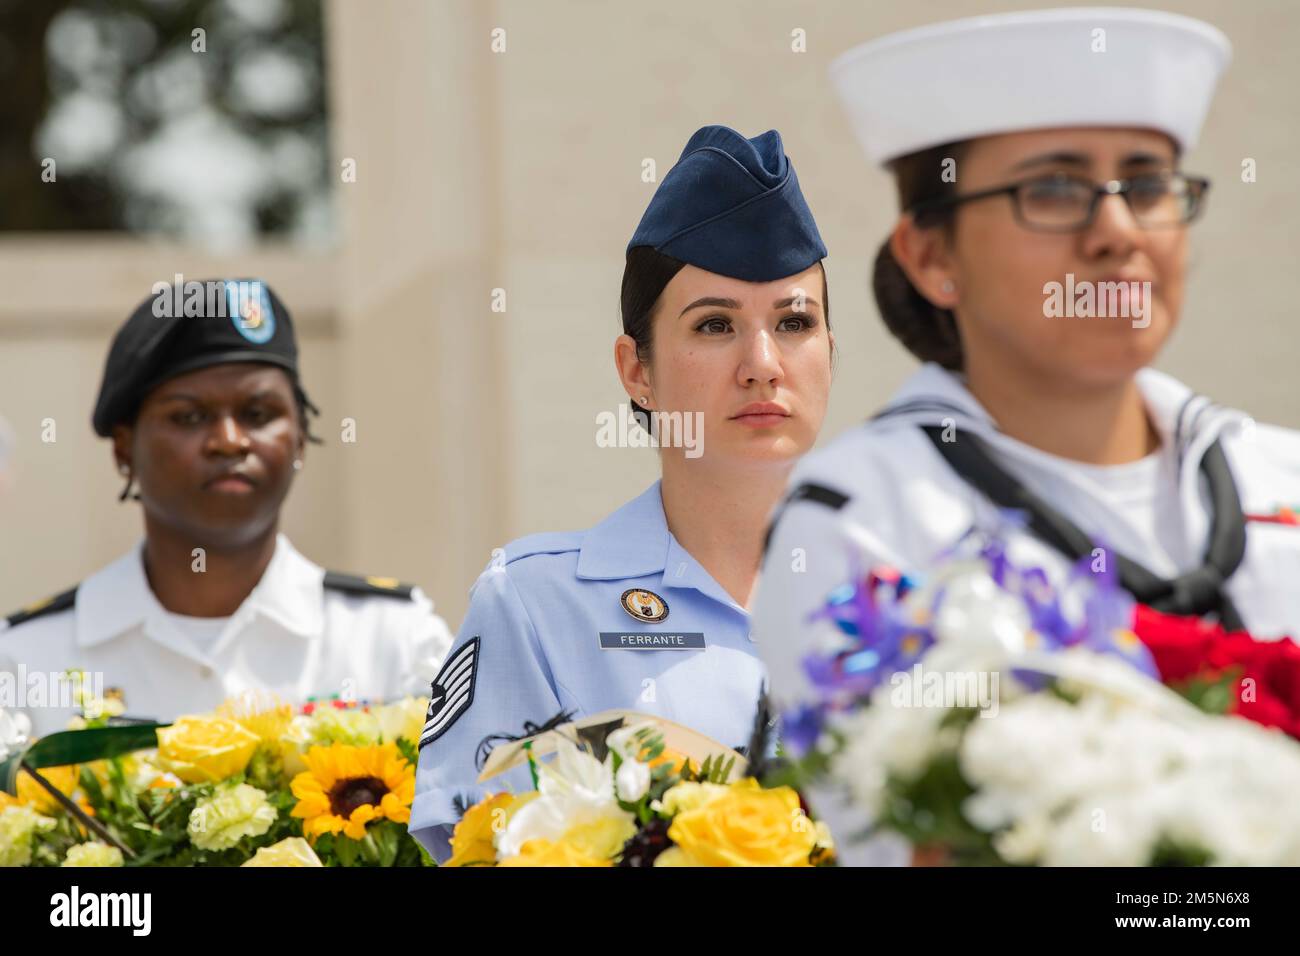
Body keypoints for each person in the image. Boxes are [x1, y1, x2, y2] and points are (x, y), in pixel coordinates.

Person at [757, 6, 1300, 737]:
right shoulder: (859, 521)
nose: (1118, 233)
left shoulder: (1281, 479)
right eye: (1052, 190)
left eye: (1145, 187)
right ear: (932, 256)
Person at [410, 125, 835, 860]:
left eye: (795, 322)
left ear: (831, 352)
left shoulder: (912, 593)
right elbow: (471, 847)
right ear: (637, 371)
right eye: (715, 325)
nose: (763, 364)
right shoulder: (537, 604)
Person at [0, 279, 453, 736]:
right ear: (124, 449)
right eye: (189, 417)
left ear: (299, 439)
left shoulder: (397, 643)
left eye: (258, 415)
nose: (230, 441)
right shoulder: (25, 661)